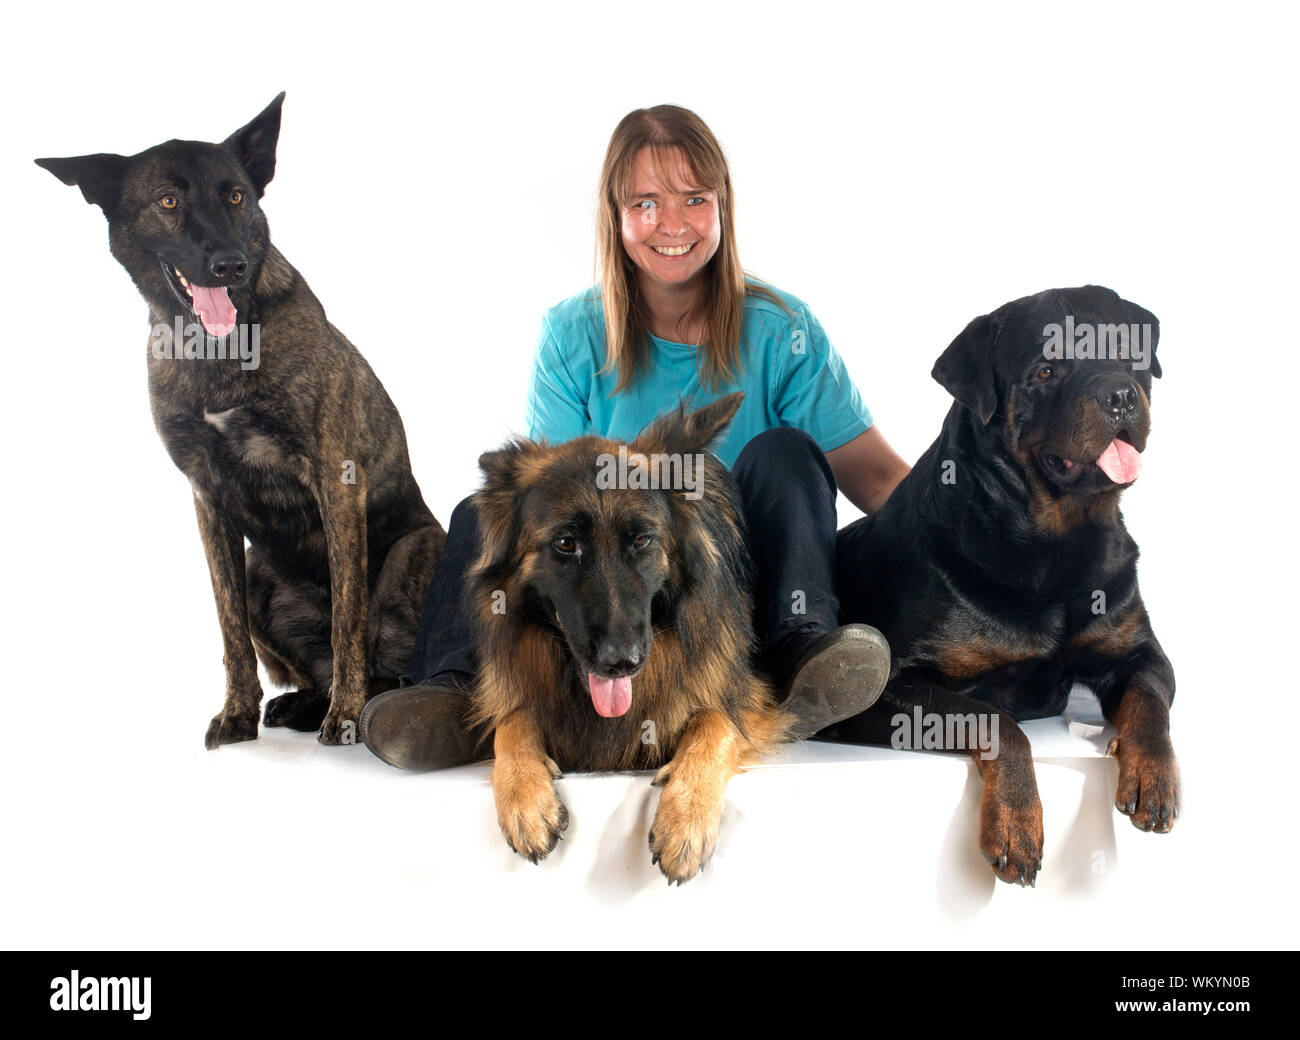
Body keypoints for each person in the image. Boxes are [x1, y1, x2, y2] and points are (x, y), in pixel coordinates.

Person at [359, 105, 910, 771]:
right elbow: (549, 505)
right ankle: (452, 691)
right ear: (616, 216)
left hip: (741, 596)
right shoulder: (572, 333)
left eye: (693, 199)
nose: (672, 224)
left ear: (723, 207)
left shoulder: (784, 329)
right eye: (646, 203)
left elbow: (878, 481)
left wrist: (973, 539)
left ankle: (802, 655)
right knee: (486, 512)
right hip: (628, 594)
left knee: (786, 452)